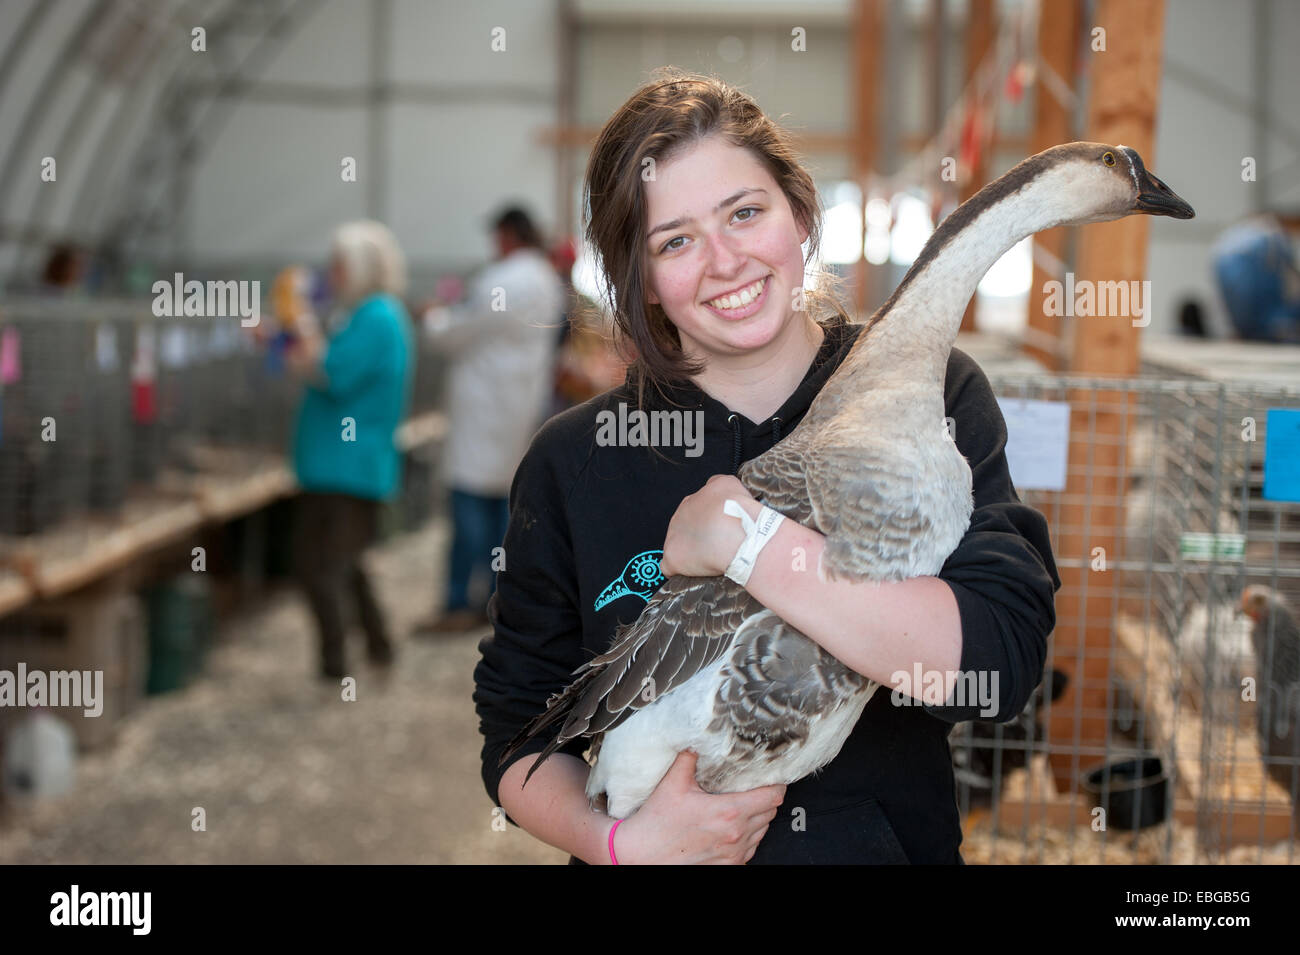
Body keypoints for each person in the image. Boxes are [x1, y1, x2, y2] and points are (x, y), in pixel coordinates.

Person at [473, 71, 1060, 864]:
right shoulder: (575, 458)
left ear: (800, 213)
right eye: (674, 240)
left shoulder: (921, 396)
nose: (724, 261)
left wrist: (749, 544)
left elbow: (1001, 655)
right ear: (640, 278)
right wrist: (620, 844)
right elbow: (516, 729)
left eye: (745, 213)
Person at [413, 207, 564, 634]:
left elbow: (455, 332)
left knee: (467, 501)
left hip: (481, 405)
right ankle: (500, 596)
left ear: (507, 235)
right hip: (519, 404)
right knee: (507, 503)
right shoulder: (547, 280)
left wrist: (432, 316)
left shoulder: (502, 279)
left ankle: (458, 600)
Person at [286, 220, 414, 679]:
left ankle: (335, 665)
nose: (332, 273)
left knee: (318, 565)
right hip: (343, 464)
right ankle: (379, 649)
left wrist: (297, 323)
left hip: (346, 465)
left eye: (339, 265)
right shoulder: (369, 313)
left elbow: (332, 372)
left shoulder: (376, 316)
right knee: (347, 562)